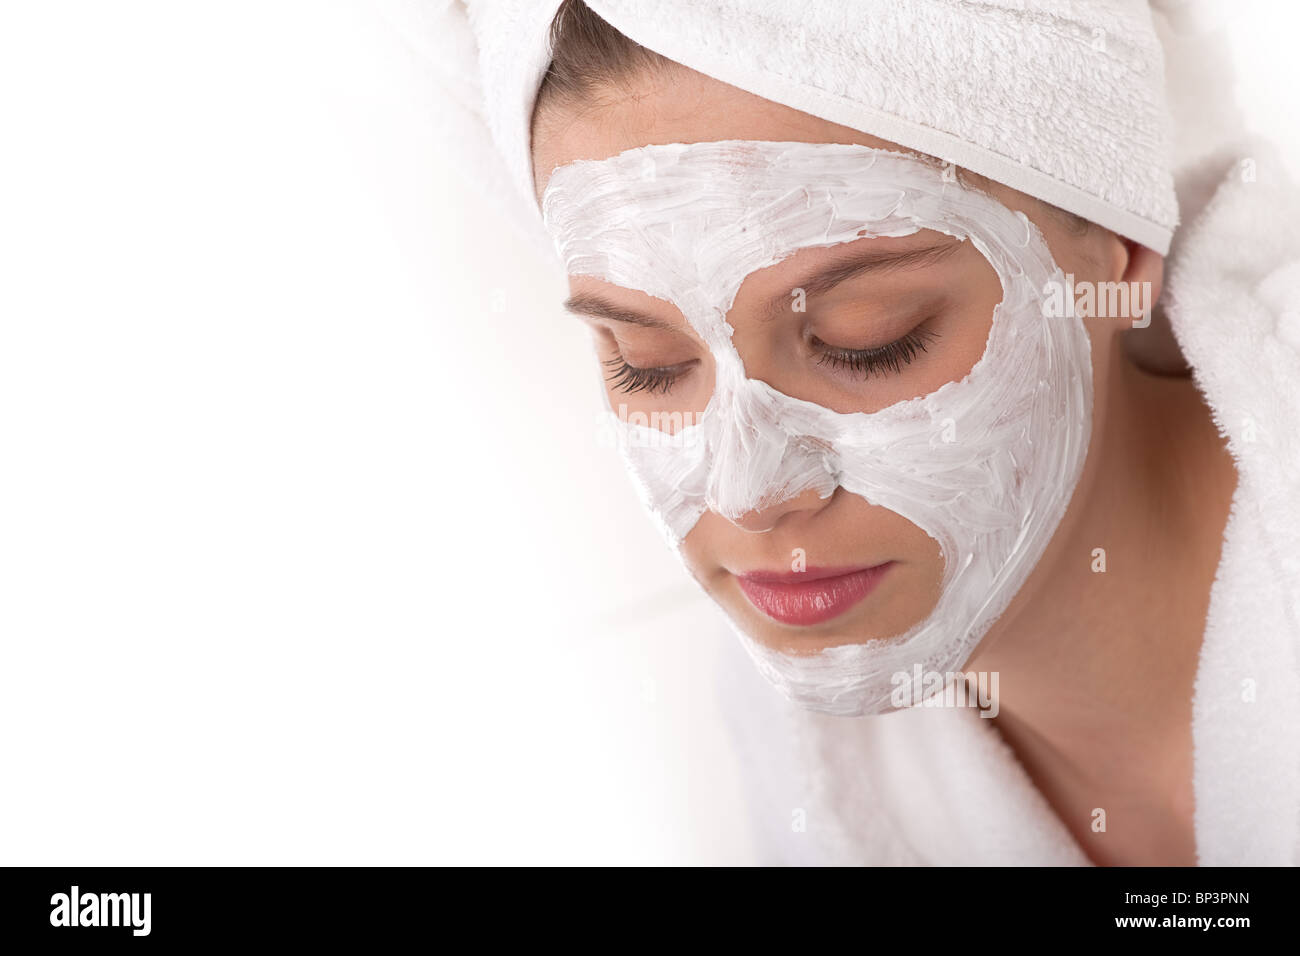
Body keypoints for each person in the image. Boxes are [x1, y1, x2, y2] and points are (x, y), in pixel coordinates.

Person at [436, 0, 1300, 865]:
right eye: (647, 361)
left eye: (868, 337)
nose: (750, 491)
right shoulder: (809, 768)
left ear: (1120, 246)